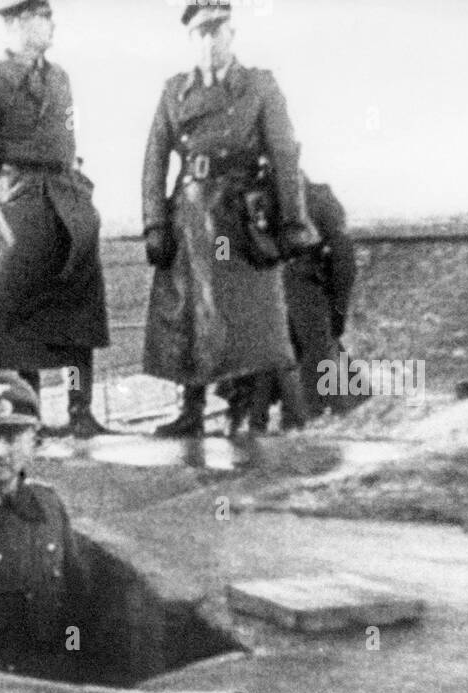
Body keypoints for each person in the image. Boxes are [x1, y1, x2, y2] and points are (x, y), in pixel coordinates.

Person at [142, 1, 318, 438]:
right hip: (189, 214)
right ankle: (191, 410)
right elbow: (154, 162)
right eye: (201, 34)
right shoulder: (173, 91)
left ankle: (257, 413)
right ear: (190, 40)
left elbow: (284, 154)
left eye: (217, 32)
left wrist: (293, 220)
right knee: (189, 311)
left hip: (242, 216)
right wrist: (154, 224)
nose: (209, 41)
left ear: (232, 36)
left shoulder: (259, 86)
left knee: (254, 315)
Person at [0, 0, 111, 438]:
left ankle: (81, 414)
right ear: (17, 23)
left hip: (67, 202)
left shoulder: (60, 79)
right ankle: (30, 417)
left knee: (79, 314)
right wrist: (0, 206)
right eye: (43, 18)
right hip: (17, 208)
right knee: (16, 319)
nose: (52, 25)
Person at [0, 370, 92, 679]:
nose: (0, 451)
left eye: (12, 438)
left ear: (32, 441)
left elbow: (76, 604)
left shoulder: (48, 505)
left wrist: (73, 662)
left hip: (53, 684)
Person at [221, 178, 358, 432]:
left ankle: (264, 419)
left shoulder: (240, 200)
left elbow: (223, 250)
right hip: (297, 293)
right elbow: (344, 260)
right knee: (314, 367)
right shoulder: (316, 197)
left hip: (277, 295)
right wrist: (338, 311)